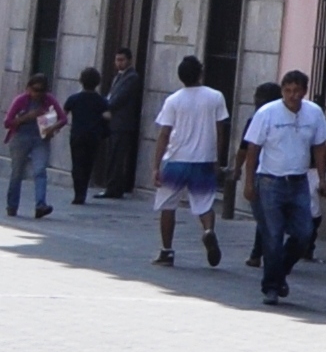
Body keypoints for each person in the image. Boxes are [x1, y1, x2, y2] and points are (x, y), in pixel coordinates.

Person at [241, 69, 326, 307]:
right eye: (288, 91)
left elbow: (320, 146)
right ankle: (271, 287)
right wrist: (249, 182)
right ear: (282, 91)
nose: (292, 96)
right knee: (272, 234)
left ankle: (279, 272)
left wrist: (322, 179)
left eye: (297, 91)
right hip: (270, 181)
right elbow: (253, 149)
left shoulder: (314, 113)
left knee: (304, 233)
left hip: (299, 181)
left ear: (304, 92)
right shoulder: (267, 113)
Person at [151, 56, 229, 267]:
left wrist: (156, 166)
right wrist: (217, 159)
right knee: (204, 204)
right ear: (200, 73)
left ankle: (167, 251)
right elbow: (221, 130)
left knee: (168, 205)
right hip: (204, 159)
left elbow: (164, 134)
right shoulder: (216, 97)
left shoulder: (173, 100)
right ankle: (208, 231)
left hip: (176, 159)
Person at [4, 73, 65, 218]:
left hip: (40, 139)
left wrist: (53, 127)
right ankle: (12, 205)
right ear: (28, 89)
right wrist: (27, 117)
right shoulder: (21, 100)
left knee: (40, 170)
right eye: (35, 90)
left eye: (41, 90)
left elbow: (62, 118)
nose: (37, 94)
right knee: (17, 173)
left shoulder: (49, 100)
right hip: (20, 138)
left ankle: (40, 205)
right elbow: (7, 122)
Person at [244, 81, 281, 265]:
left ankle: (260, 253)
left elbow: (244, 149)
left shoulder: (255, 119)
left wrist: (239, 172)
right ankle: (261, 252)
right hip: (275, 172)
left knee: (264, 218)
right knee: (269, 217)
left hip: (262, 173)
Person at [101, 49, 142, 198]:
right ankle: (111, 186)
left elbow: (119, 98)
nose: (119, 63)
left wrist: (106, 106)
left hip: (123, 123)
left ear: (129, 60)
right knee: (112, 155)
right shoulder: (118, 77)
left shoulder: (132, 77)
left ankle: (114, 188)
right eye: (117, 60)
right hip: (114, 122)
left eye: (122, 60)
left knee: (117, 156)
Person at [65, 69, 109, 205]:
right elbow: (108, 116)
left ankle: (79, 193)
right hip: (94, 136)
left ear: (81, 81)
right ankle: (83, 190)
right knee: (88, 164)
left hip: (77, 135)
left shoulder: (73, 99)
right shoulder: (101, 101)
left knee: (77, 164)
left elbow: (63, 114)